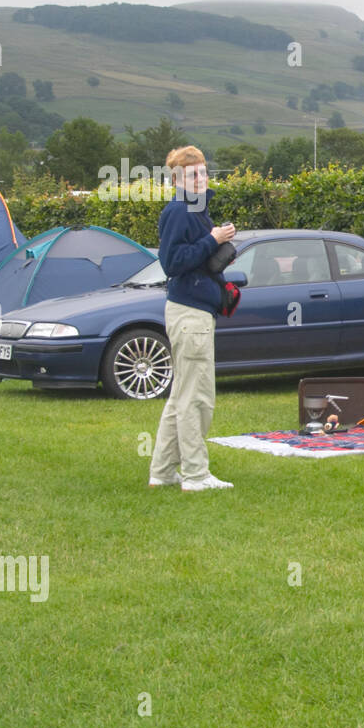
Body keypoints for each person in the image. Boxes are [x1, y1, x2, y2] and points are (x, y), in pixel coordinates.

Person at [147, 145, 236, 492]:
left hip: (194, 310)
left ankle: (163, 471)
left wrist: (216, 241)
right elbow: (171, 262)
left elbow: (191, 255)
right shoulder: (180, 211)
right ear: (177, 178)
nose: (200, 178)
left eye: (202, 172)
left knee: (180, 396)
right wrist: (212, 239)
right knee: (196, 398)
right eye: (192, 174)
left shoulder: (195, 210)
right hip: (189, 313)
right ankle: (196, 474)